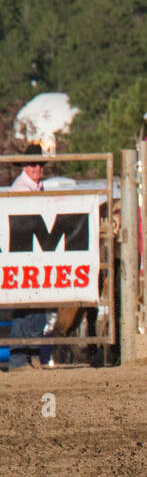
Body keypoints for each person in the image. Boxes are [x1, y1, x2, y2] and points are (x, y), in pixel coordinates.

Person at [7, 145, 54, 370]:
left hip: (32, 252)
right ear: (25, 166)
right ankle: (20, 356)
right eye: (33, 164)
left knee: (35, 304)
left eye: (40, 164)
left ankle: (30, 354)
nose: (38, 168)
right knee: (27, 303)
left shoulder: (35, 187)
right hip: (24, 252)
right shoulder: (21, 188)